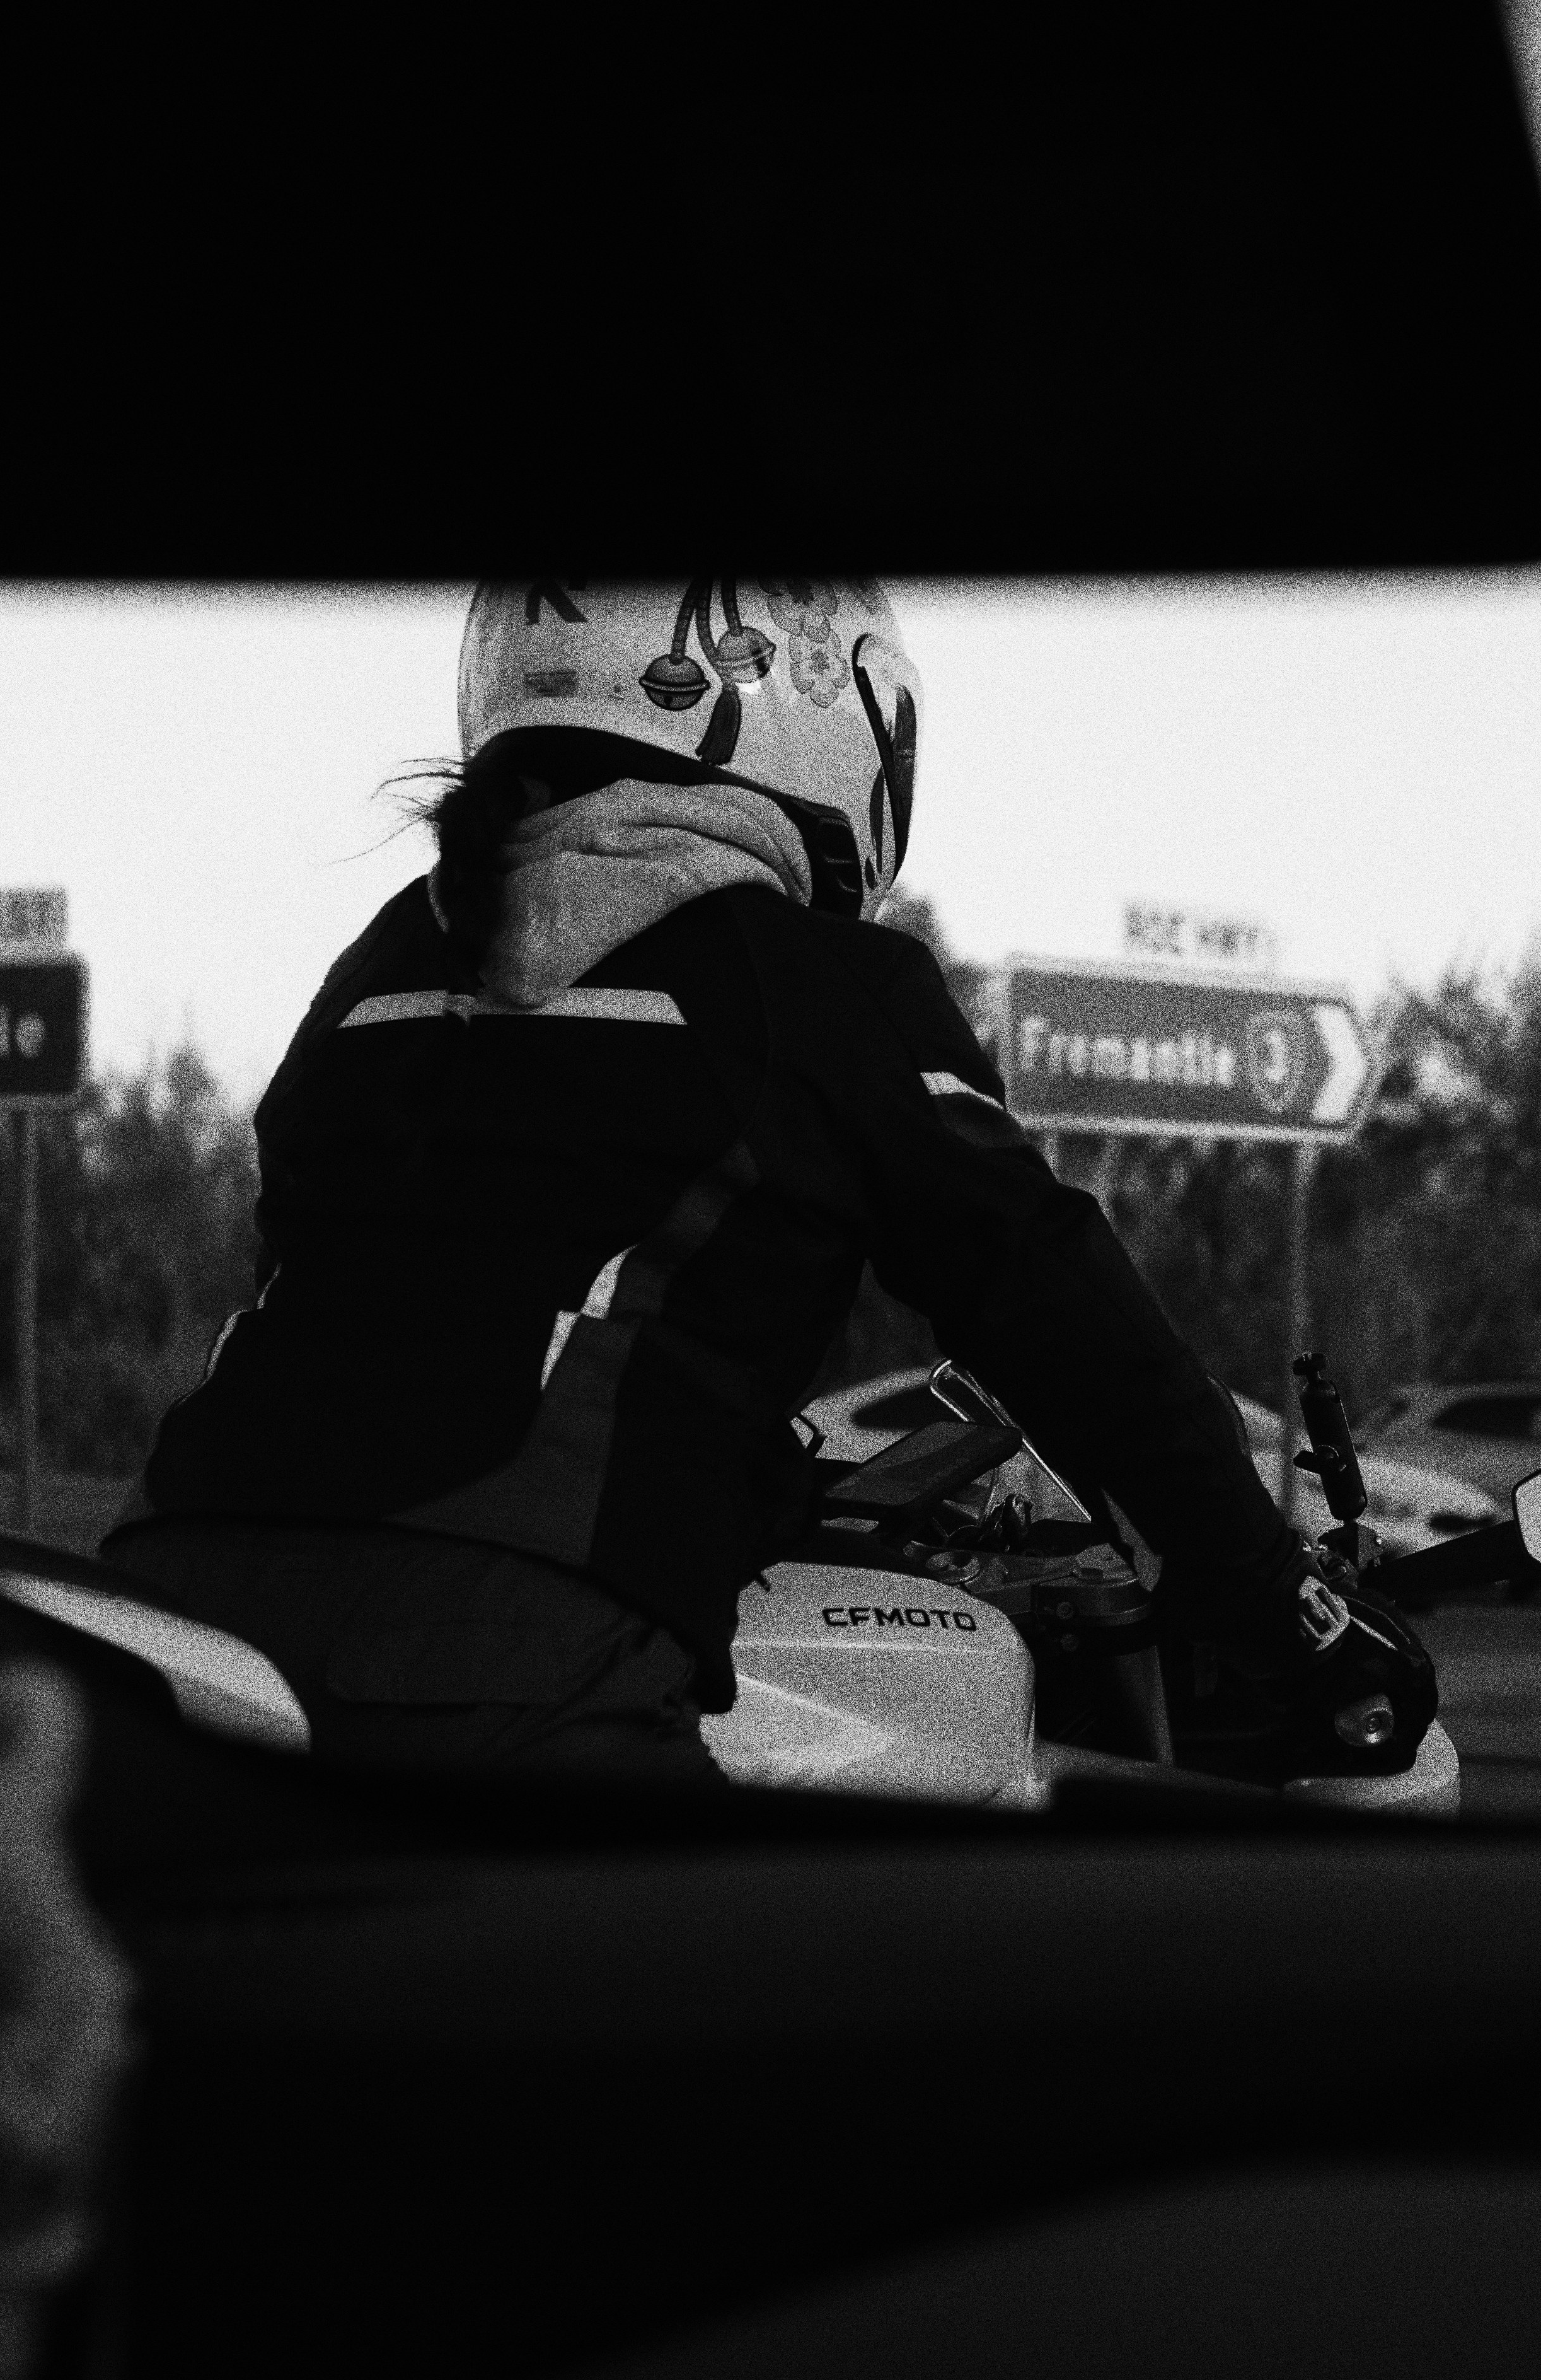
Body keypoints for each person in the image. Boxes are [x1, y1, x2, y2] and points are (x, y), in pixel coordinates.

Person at [105, 579, 1387, 1783]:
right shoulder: (821, 984)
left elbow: (404, 1293)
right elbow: (1062, 1314)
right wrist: (1290, 1606)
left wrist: (746, 1473)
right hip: (513, 1649)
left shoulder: (382, 960)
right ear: (819, 700)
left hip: (177, 1602)